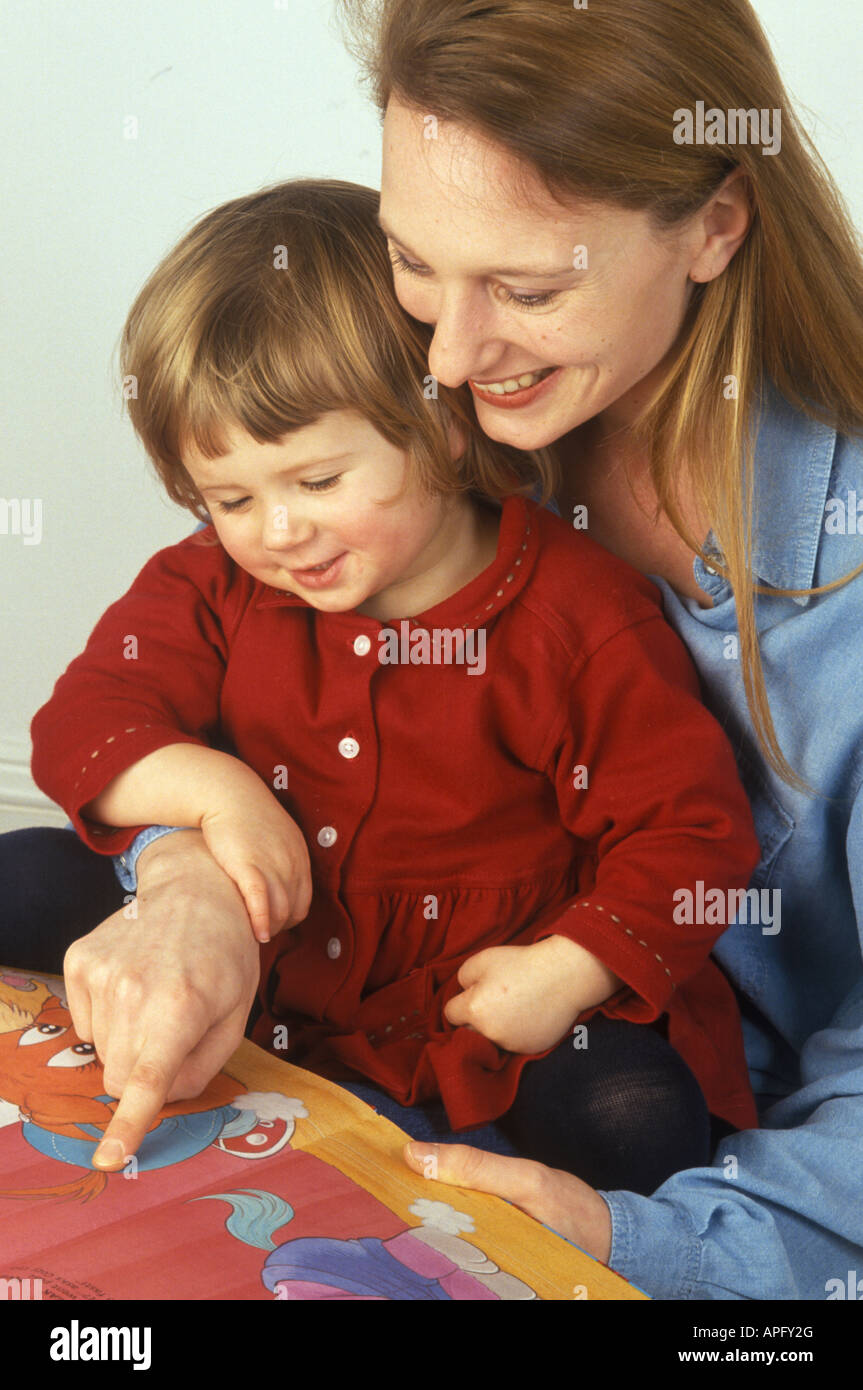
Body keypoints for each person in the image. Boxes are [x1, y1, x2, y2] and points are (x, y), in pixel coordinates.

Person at [25, 177, 760, 1201]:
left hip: (485, 1004)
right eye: (231, 496)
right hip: (276, 958)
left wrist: (570, 968)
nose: (278, 532)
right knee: (19, 876)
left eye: (318, 482)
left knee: (632, 1115)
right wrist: (212, 797)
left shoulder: (578, 614)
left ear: (444, 430)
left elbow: (691, 833)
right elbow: (85, 718)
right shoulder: (217, 580)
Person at [329, 0, 863, 1300]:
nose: (448, 356)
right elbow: (226, 651)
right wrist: (180, 865)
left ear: (713, 225)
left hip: (747, 1188)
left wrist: (645, 1248)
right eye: (413, 261)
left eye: (525, 287)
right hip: (427, 1040)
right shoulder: (436, 422)